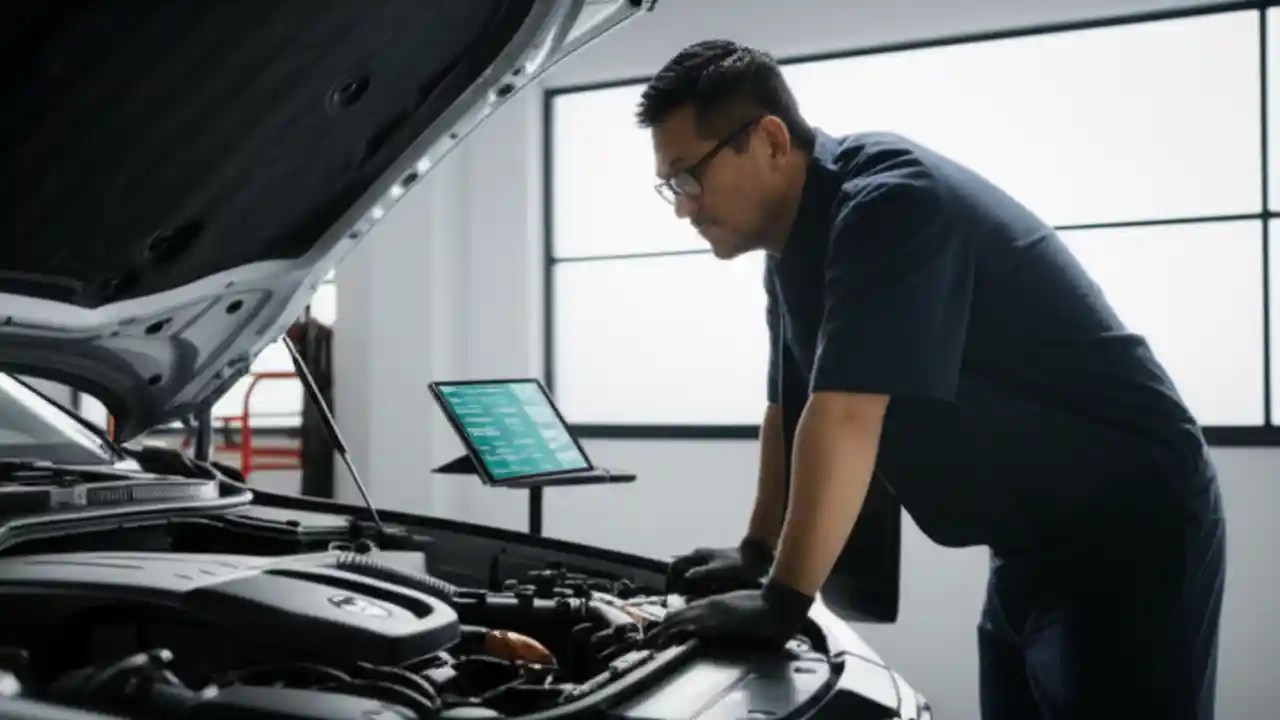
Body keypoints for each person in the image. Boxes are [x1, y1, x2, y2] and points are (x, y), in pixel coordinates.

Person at [637, 39, 1225, 720]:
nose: (683, 207)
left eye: (688, 178)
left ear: (769, 140)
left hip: (1131, 527)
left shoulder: (892, 203)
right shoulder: (790, 252)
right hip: (1027, 545)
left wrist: (782, 603)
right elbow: (789, 410)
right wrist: (756, 551)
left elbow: (847, 416)